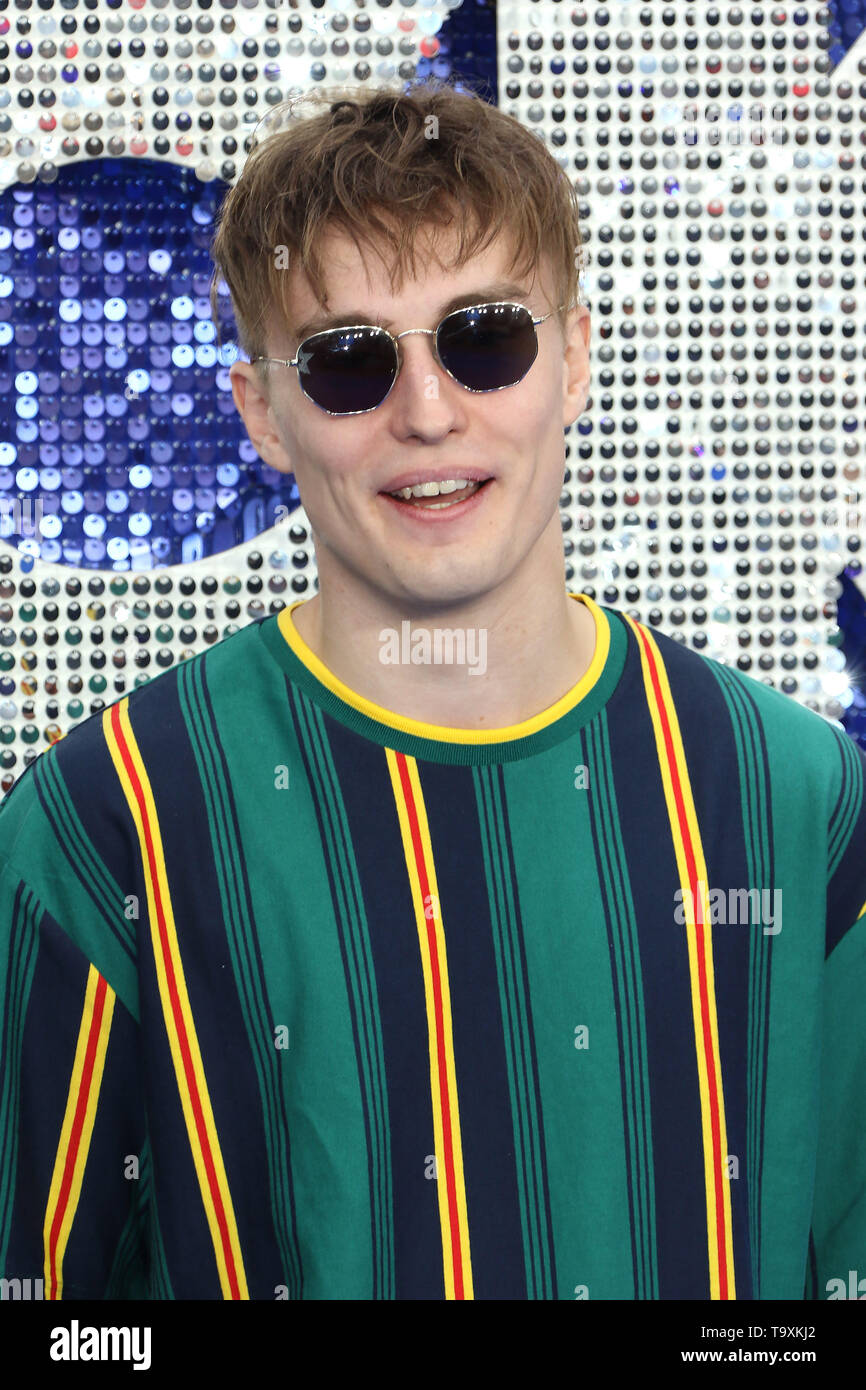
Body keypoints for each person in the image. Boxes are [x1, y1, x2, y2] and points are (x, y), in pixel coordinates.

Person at [1, 80, 864, 1303]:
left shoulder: (799, 801)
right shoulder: (104, 826)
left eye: (485, 337)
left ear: (571, 359)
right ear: (263, 414)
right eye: (349, 363)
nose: (426, 410)